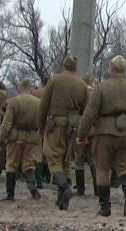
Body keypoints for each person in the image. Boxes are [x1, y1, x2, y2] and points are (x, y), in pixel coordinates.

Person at [78, 55, 126, 217]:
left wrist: (82, 134)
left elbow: (90, 113)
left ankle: (105, 207)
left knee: (102, 169)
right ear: (124, 70)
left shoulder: (101, 88)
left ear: (111, 68)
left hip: (104, 132)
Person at [38, 56, 90, 211]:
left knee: (53, 158)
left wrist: (41, 125)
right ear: (75, 68)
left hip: (55, 125)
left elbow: (44, 105)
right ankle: (62, 199)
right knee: (67, 160)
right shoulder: (82, 85)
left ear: (63, 66)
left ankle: (65, 188)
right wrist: (83, 132)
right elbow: (86, 110)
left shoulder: (54, 81)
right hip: (73, 127)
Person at [0, 79, 43, 201]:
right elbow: (42, 123)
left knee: (11, 164)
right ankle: (32, 185)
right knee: (29, 164)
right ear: (31, 88)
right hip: (32, 138)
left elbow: (7, 123)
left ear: (19, 88)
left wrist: (1, 139)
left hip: (15, 137)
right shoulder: (39, 103)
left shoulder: (13, 102)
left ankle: (10, 194)